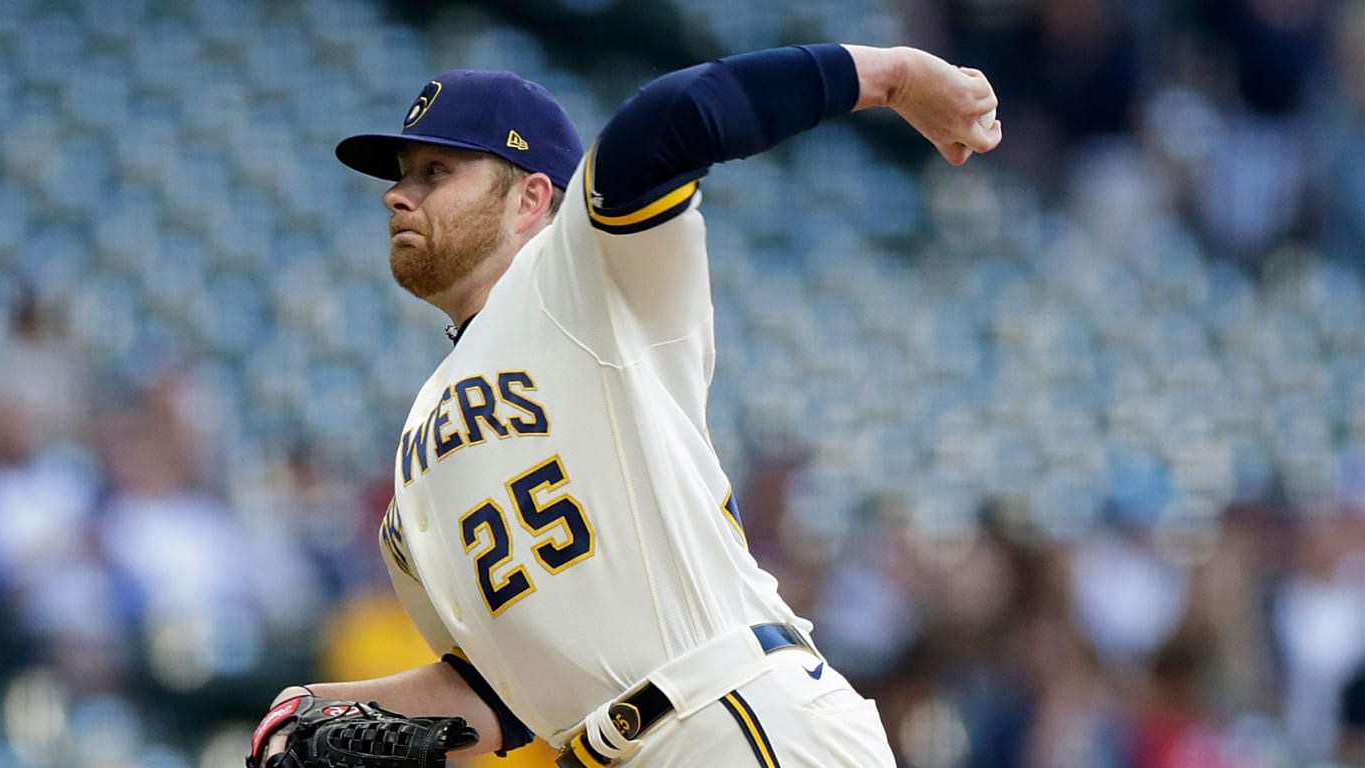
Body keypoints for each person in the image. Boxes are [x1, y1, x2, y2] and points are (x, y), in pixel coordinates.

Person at [252, 41, 1000, 768]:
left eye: (436, 170)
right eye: (402, 174)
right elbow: (506, 692)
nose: (397, 191)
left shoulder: (580, 276)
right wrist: (325, 713)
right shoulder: (416, 446)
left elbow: (669, 122)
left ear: (533, 196)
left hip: (733, 718)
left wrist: (893, 77)